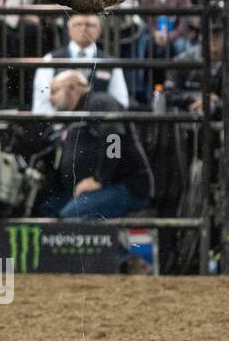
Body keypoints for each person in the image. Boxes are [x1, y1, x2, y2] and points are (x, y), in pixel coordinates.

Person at [36, 70, 153, 220]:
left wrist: (99, 179)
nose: (50, 98)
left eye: (54, 91)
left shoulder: (99, 102)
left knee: (68, 219)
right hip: (91, 190)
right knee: (46, 209)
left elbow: (114, 137)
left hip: (122, 186)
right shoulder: (73, 117)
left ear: (73, 87)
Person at [32, 13, 130, 113]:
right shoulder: (50, 59)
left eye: (89, 25)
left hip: (96, 124)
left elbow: (120, 102)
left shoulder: (110, 63)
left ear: (99, 30)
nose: (83, 28)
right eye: (78, 24)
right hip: (60, 122)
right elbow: (41, 103)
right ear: (69, 29)